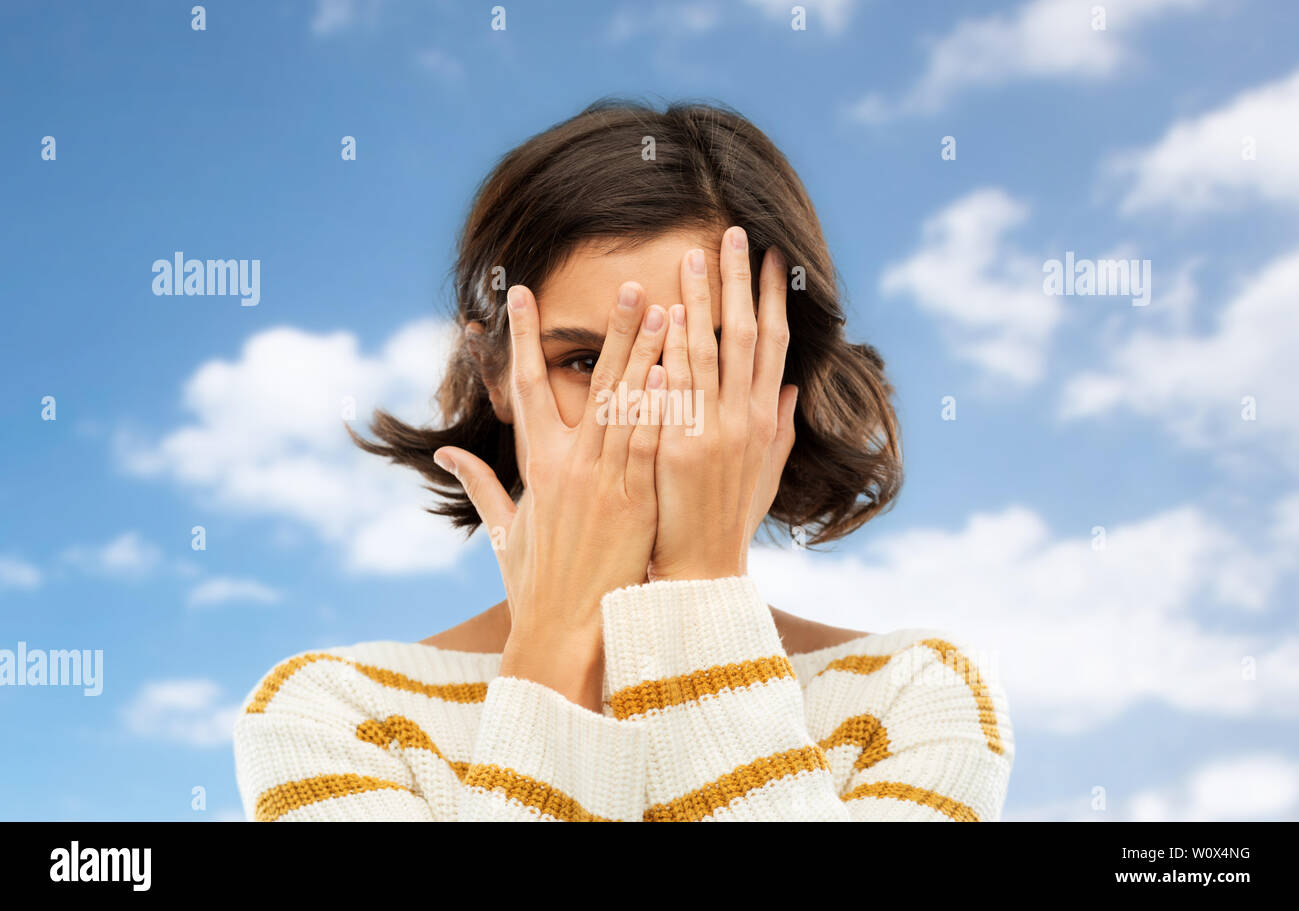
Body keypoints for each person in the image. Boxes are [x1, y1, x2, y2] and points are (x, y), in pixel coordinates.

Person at [232, 98, 1014, 821]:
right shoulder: (333, 717)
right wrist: (557, 653)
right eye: (581, 361)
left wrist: (698, 592)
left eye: (699, 363)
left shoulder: (916, 699)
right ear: (496, 374)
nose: (642, 410)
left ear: (779, 383)